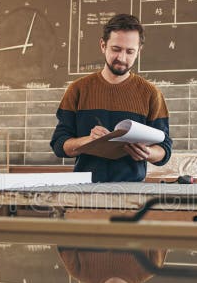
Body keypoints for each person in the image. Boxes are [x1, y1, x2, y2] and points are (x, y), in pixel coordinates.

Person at [50, 13, 172, 182]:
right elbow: (59, 145)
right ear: (103, 45)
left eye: (130, 52)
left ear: (139, 51)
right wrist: (88, 141)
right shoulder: (78, 89)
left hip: (132, 192)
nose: (122, 58)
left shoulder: (151, 93)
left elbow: (164, 149)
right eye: (116, 49)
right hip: (84, 190)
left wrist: (148, 153)